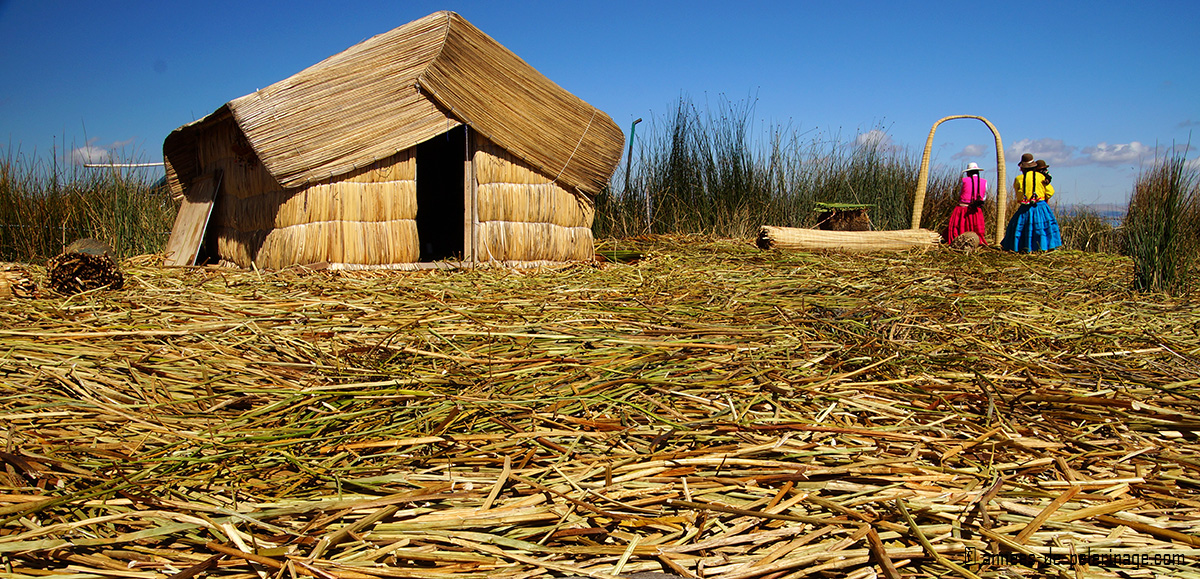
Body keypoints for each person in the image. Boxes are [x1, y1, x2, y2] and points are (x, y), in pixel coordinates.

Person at [1001, 153, 1062, 252]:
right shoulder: (1041, 177)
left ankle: (1022, 247)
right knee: (1041, 227)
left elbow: (1018, 195)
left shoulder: (1019, 179)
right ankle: (1043, 247)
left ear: (1023, 167)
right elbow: (1050, 192)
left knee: (1019, 227)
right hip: (1041, 207)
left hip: (1025, 209)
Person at [947, 162, 988, 245]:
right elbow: (984, 196)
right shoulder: (984, 182)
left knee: (958, 227)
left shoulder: (964, 181)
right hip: (976, 210)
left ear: (968, 172)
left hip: (963, 209)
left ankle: (958, 240)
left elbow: (960, 193)